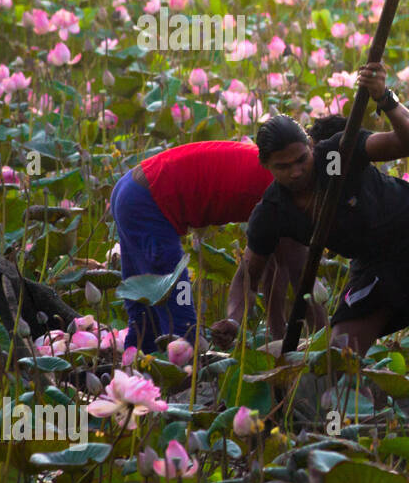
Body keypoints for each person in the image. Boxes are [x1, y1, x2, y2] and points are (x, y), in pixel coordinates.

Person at [219, 62, 409, 392]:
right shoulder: (272, 212)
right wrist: (233, 319)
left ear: (311, 147)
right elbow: (247, 275)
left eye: (301, 160)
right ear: (266, 167)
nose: (296, 171)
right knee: (340, 354)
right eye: (283, 167)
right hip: (375, 263)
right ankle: (368, 414)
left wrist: (386, 99)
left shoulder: (339, 152)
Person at [109, 131, 329, 353]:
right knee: (181, 318)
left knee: (144, 316)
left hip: (131, 188)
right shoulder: (287, 188)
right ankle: (187, 382)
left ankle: (140, 376)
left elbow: (276, 269)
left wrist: (278, 336)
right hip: (148, 201)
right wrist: (327, 347)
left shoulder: (281, 171)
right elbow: (301, 276)